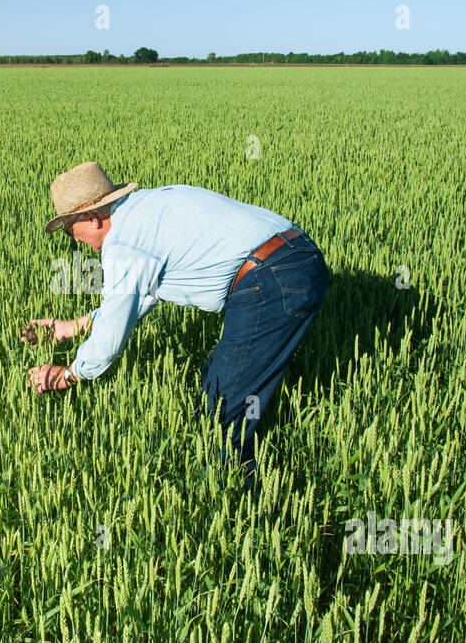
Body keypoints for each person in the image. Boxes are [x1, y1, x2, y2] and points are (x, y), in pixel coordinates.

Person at [23, 161, 328, 485]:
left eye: (72, 231)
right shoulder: (147, 209)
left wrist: (68, 375)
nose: (76, 242)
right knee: (220, 379)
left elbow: (113, 335)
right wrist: (74, 326)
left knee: (220, 411)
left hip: (272, 279)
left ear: (92, 218)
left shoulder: (124, 243)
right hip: (298, 257)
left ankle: (245, 510)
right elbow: (133, 301)